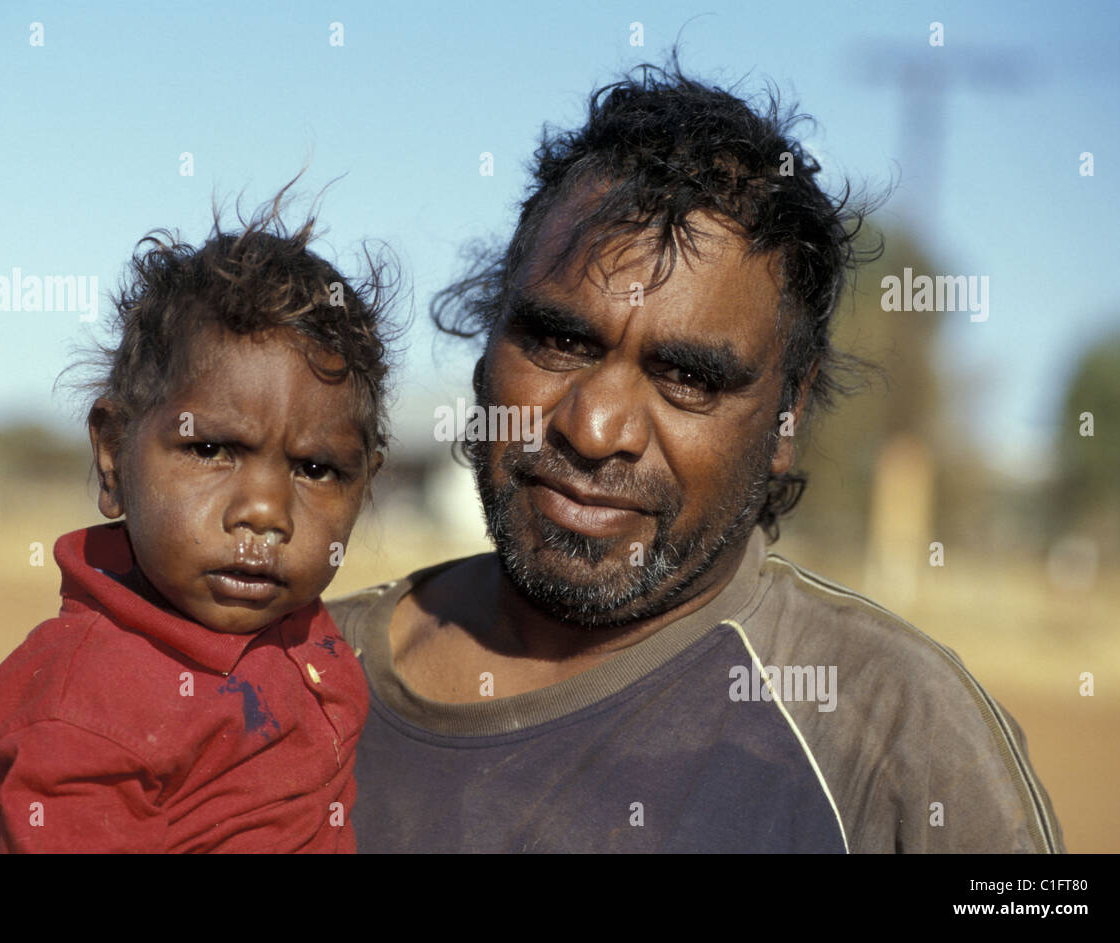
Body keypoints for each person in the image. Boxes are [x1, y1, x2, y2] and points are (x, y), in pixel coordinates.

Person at [326, 63, 1064, 853]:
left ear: (786, 418)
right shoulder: (290, 673)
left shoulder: (895, 735)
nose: (597, 426)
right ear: (488, 338)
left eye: (687, 377)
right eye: (561, 340)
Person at [0, 185, 396, 852]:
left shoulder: (311, 637)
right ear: (113, 455)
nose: (265, 512)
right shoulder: (85, 709)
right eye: (209, 449)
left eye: (316, 469)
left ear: (365, 482)